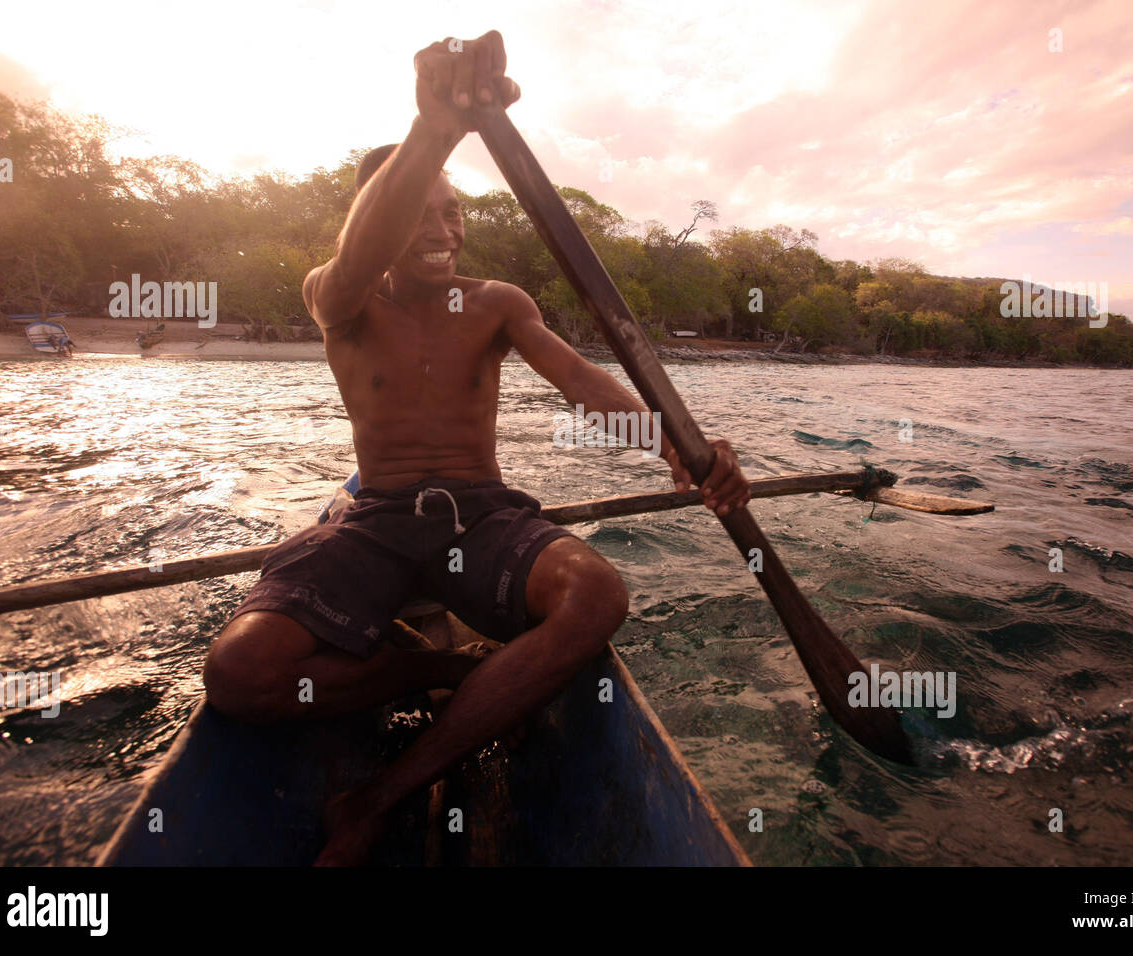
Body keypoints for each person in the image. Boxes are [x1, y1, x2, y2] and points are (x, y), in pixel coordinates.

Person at [201, 30, 750, 866]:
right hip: (374, 521)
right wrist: (433, 131)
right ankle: (428, 674)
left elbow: (583, 382)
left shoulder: (496, 302)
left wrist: (679, 445)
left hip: (480, 520)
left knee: (595, 595)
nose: (442, 227)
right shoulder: (337, 295)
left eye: (452, 209)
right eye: (417, 212)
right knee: (239, 675)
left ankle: (378, 796)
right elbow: (356, 257)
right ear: (374, 222)